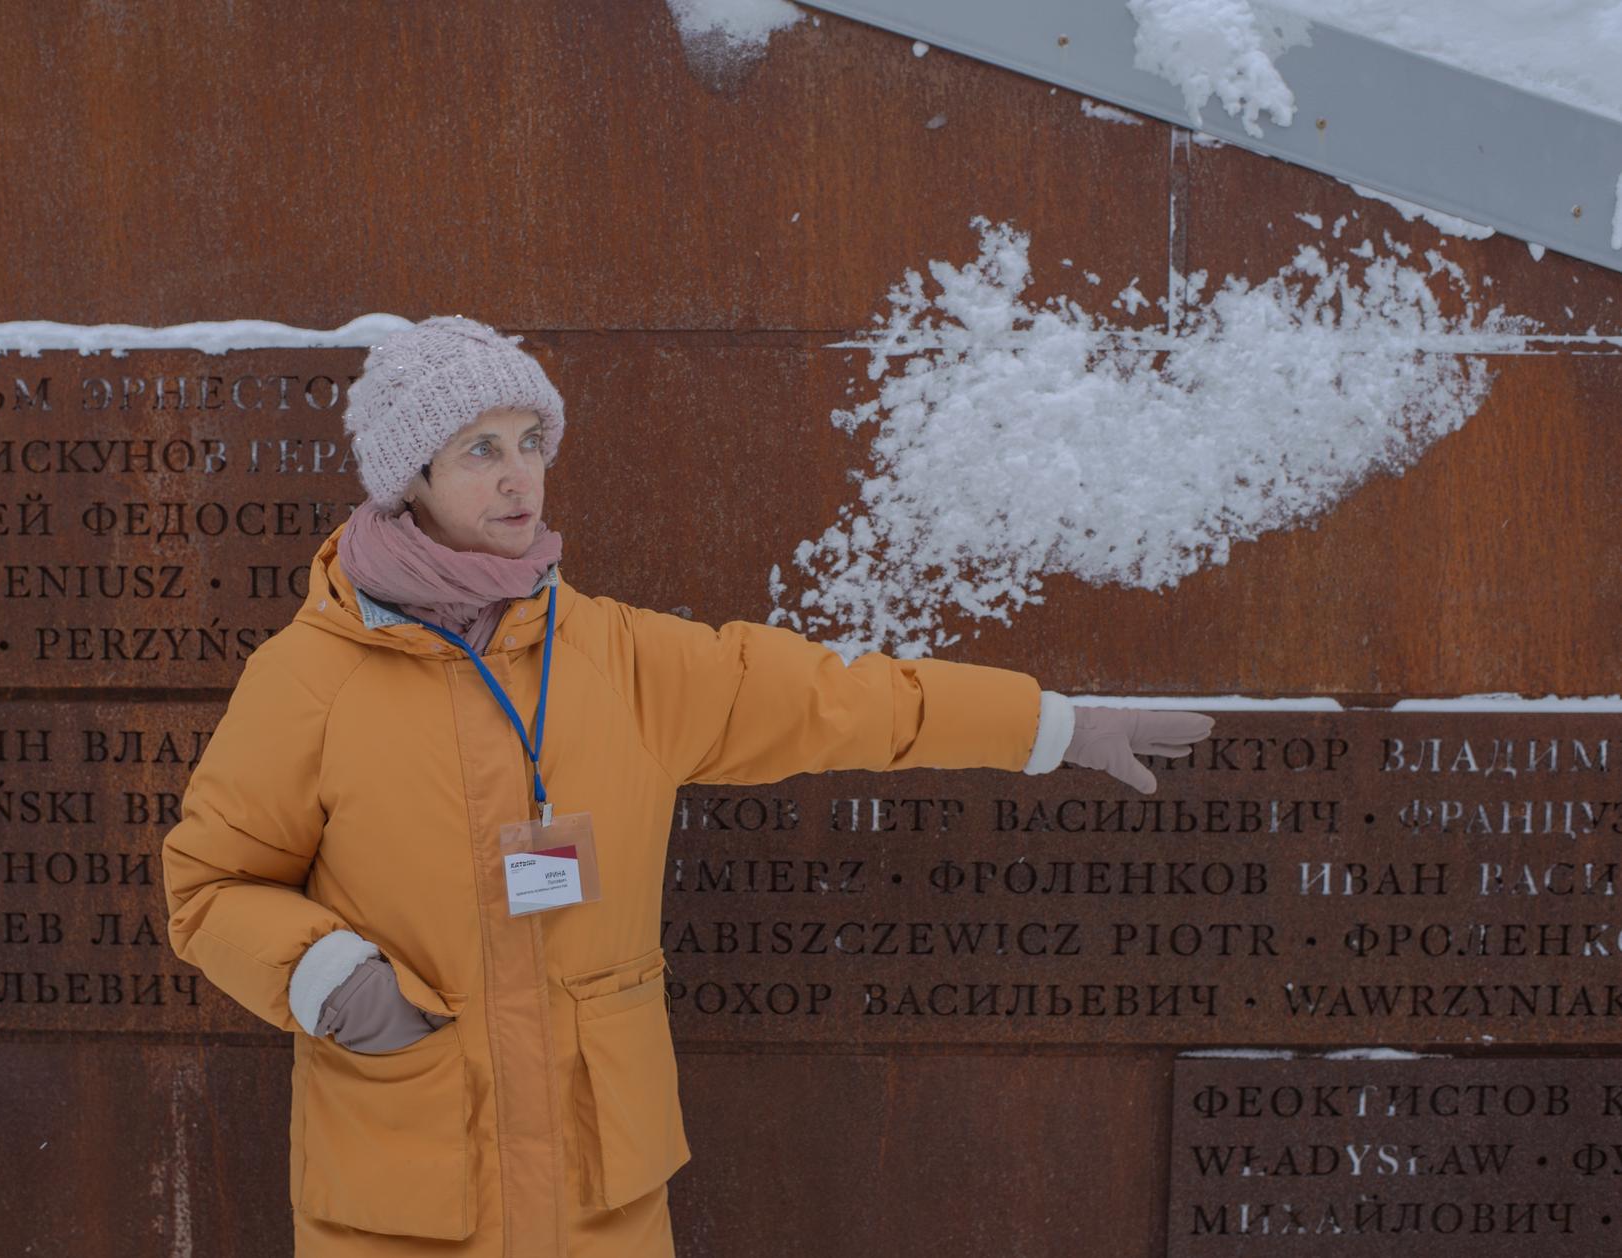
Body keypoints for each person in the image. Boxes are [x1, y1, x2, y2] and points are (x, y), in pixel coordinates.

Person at [159, 315, 1214, 1258]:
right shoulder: (311, 678)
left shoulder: (621, 660)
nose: (521, 476)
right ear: (411, 479)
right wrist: (334, 982)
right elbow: (208, 886)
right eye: (481, 449)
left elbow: (840, 700)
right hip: (408, 1195)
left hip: (597, 1195)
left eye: (532, 443)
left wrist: (1059, 726)